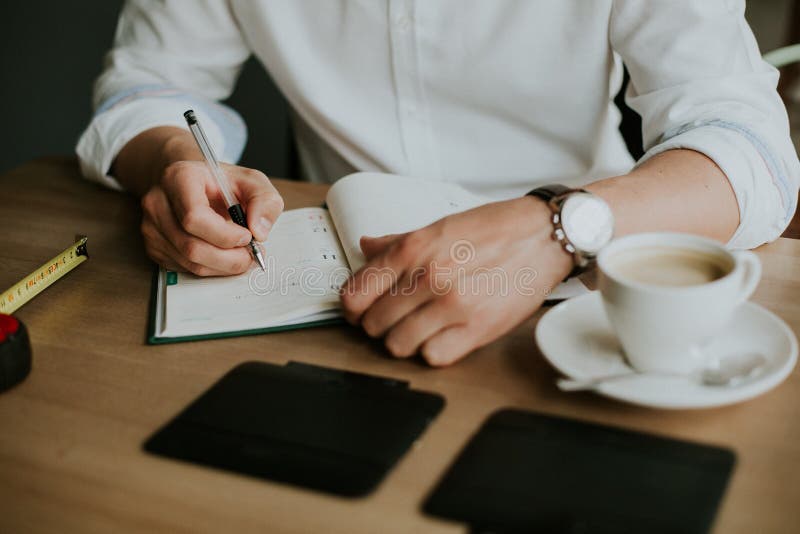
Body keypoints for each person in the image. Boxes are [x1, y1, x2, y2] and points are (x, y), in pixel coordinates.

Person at [77, 1, 799, 366]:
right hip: (331, 308)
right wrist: (169, 156)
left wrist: (560, 228)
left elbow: (754, 149)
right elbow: (147, 81)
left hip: (583, 297)